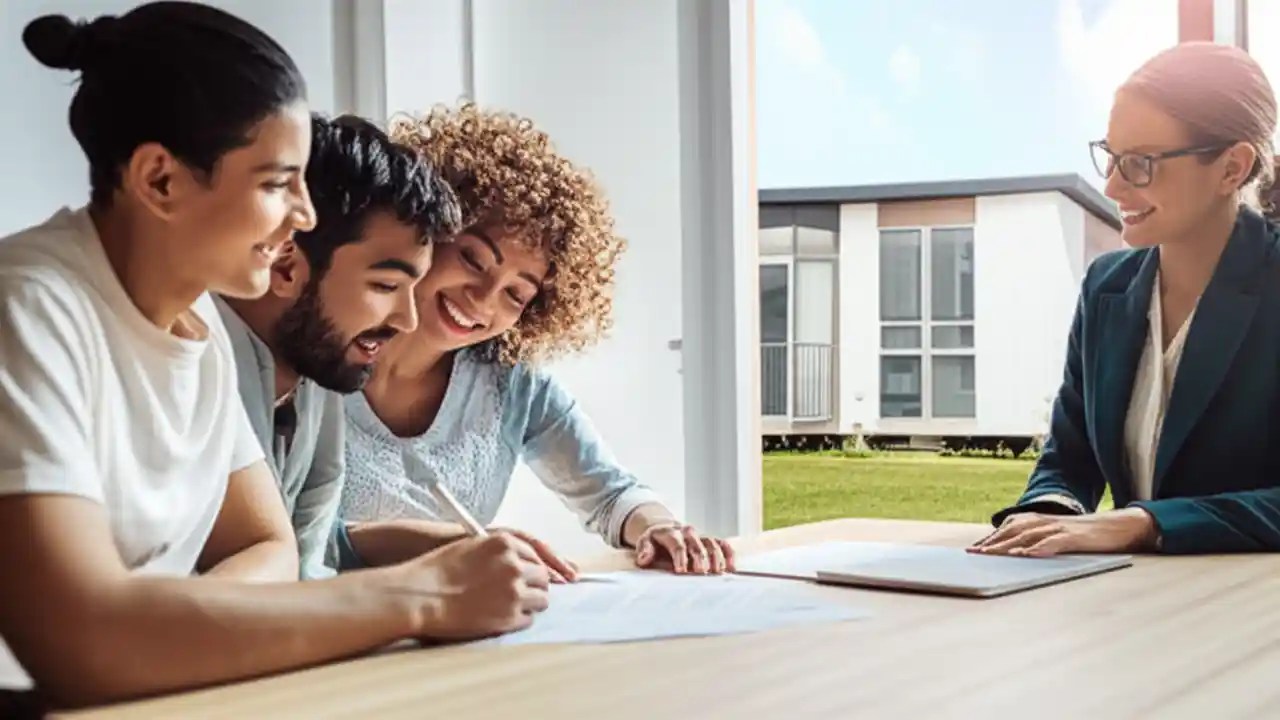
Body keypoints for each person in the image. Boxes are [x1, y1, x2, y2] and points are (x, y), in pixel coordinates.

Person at [0, 6, 546, 711]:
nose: (304, 216)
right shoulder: (29, 310)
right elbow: (84, 643)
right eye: (277, 183)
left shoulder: (196, 322)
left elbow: (269, 546)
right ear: (160, 180)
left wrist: (162, 635)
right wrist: (425, 595)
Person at [335, 104, 736, 578]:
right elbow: (293, 540)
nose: (483, 299)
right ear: (427, 232)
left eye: (516, 294)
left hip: (453, 621)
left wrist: (659, 527)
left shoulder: (513, 386)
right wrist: (453, 546)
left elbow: (610, 494)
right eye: (473, 260)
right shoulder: (317, 358)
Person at [972, 42, 1280, 557]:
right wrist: (1049, 515)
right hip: (1135, 593)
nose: (1113, 186)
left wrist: (1145, 523)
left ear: (1232, 168)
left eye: (1141, 163)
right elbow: (1069, 457)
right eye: (1111, 157)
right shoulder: (1105, 287)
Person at [215, 113, 460, 579]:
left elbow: (311, 550)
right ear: (286, 267)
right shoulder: (193, 368)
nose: (407, 320)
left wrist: (460, 546)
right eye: (386, 286)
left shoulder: (316, 364)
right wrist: (418, 600)